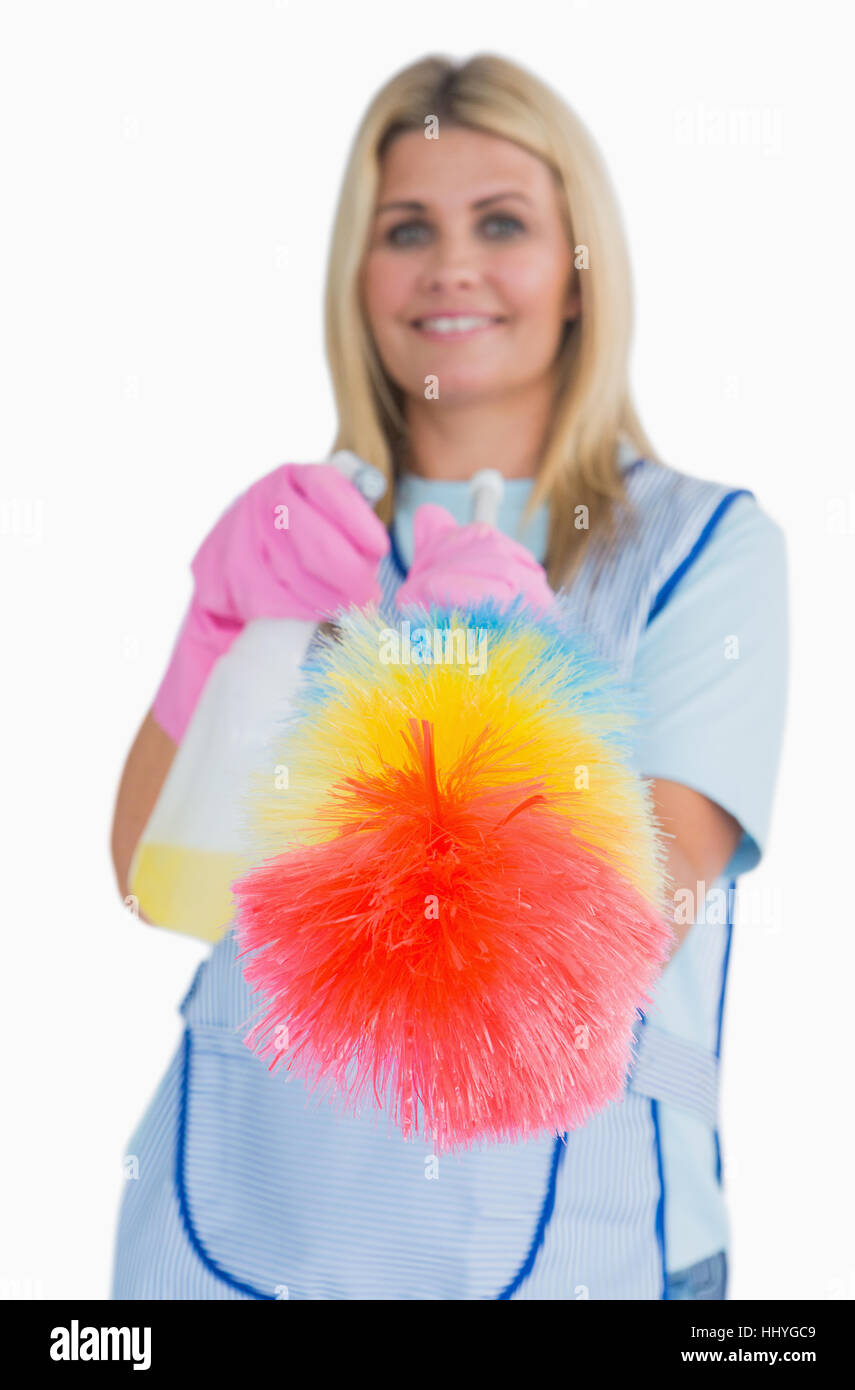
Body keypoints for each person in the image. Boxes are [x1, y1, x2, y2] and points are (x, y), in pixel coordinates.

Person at [109, 52, 788, 1300]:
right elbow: (157, 881)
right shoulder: (300, 534)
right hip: (235, 1219)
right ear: (356, 277)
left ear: (579, 273)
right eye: (406, 226)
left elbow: (643, 917)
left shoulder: (699, 547)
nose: (451, 265)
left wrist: (488, 710)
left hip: (565, 1234)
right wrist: (218, 622)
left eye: (503, 224)